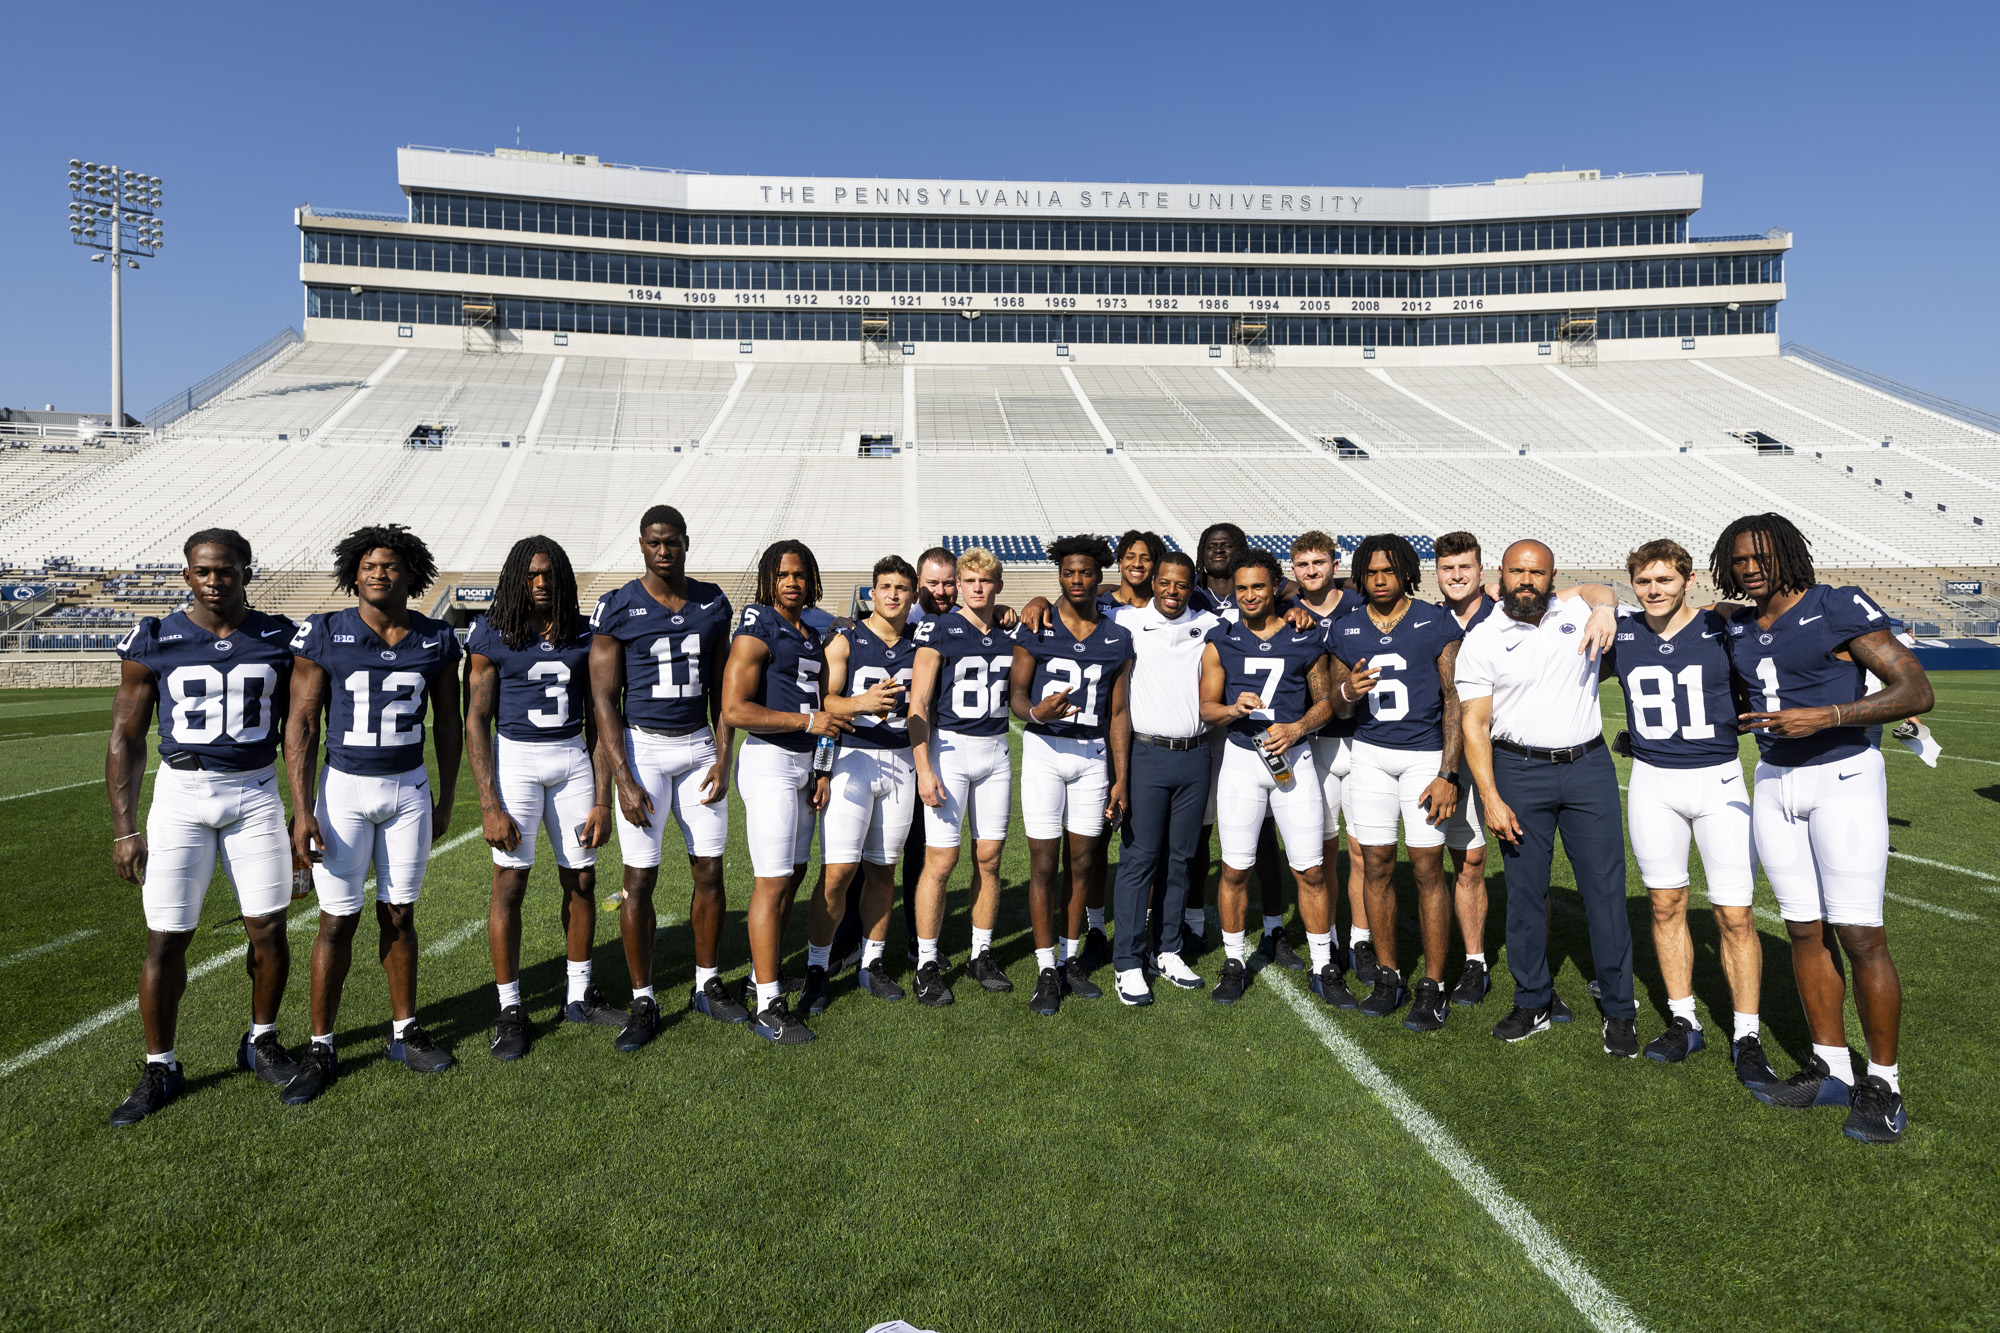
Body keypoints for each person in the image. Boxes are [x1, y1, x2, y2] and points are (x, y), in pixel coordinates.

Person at [1713, 514, 1933, 1144]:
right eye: (1738, 560)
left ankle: (1884, 1083)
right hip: (1774, 781)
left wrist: (1830, 714)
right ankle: (1831, 1067)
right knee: (1804, 929)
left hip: (1844, 776)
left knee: (1861, 934)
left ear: (1788, 554)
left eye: (1761, 557)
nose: (1749, 568)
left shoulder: (1835, 606)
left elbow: (1915, 689)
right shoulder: (1737, 623)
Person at [104, 529, 298, 1125]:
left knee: (268, 929)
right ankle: (159, 1065)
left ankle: (261, 1040)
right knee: (166, 936)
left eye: (226, 569)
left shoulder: (280, 637)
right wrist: (124, 828)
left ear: (247, 572)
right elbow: (126, 737)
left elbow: (303, 726)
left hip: (255, 790)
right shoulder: (154, 637)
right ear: (187, 574)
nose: (215, 580)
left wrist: (305, 806)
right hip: (181, 794)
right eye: (203, 570)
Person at [282, 524, 463, 1104]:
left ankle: (404, 1031)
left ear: (411, 574)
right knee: (337, 920)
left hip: (408, 789)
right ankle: (321, 1045)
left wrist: (446, 798)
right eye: (368, 565)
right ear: (353, 574)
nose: (378, 573)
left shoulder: (436, 637)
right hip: (343, 791)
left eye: (389, 565)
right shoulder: (325, 631)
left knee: (400, 915)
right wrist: (302, 809)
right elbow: (302, 722)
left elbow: (450, 723)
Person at [1453, 540, 1636, 1056]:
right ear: (1502, 575)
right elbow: (1475, 725)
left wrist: (1605, 607)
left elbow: (1601, 589)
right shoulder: (1482, 638)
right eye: (1518, 571)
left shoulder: (1574, 610)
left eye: (1537, 572)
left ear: (1553, 577)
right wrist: (1490, 797)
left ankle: (1620, 1008)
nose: (1527, 580)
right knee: (1526, 893)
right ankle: (1532, 1000)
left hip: (1588, 768)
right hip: (1519, 770)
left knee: (1605, 890)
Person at [1602, 539, 1774, 1077]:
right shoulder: (1621, 630)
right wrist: (1603, 604)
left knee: (1735, 914)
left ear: (1688, 580)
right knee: (1664, 905)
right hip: (1653, 783)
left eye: (1665, 580)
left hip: (1718, 780)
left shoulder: (1722, 627)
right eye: (1644, 581)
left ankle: (1746, 1032)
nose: (1654, 590)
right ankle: (1684, 1019)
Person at [722, 540, 896, 1044]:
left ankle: (759, 979)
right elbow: (735, 708)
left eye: (799, 574)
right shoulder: (757, 626)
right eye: (782, 574)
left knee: (793, 875)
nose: (792, 582)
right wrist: (807, 722)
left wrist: (821, 769)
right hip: (771, 761)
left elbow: (820, 712)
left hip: (805, 764)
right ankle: (768, 1005)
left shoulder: (809, 631)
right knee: (772, 882)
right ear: (768, 579)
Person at [587, 505, 740, 1051]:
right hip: (643, 748)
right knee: (639, 878)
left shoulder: (712, 601)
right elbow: (604, 699)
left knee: (710, 871)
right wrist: (622, 776)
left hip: (698, 745)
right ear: (641, 545)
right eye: (654, 542)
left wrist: (723, 757)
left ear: (685, 542)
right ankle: (643, 998)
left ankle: (706, 983)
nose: (663, 550)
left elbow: (724, 691)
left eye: (671, 541)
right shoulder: (617, 606)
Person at [465, 536, 615, 1061]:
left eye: (549, 573)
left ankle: (579, 994)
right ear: (515, 578)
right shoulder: (492, 632)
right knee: (510, 883)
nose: (541, 582)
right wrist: (490, 805)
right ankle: (510, 1008)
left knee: (582, 878)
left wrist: (603, 799)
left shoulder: (584, 634)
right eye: (531, 574)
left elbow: (600, 719)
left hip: (572, 758)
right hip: (517, 761)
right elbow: (476, 720)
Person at [1330, 534, 1467, 1030]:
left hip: (1425, 757)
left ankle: (1433, 984)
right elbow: (1337, 705)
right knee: (1376, 863)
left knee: (1428, 867)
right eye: (1370, 572)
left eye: (1388, 570)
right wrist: (1347, 690)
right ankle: (1389, 975)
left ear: (1407, 571)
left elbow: (1454, 699)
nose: (1380, 579)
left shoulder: (1436, 622)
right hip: (1369, 756)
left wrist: (1448, 772)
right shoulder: (1346, 628)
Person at [1197, 549, 1336, 1007]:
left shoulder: (1304, 634)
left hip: (1294, 759)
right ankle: (1233, 961)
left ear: (1276, 587)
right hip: (1241, 761)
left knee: (1310, 869)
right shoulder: (1220, 639)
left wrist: (1297, 728)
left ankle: (1323, 965)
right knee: (1235, 869)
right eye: (1241, 588)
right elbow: (1206, 708)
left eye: (1258, 586)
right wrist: (1231, 709)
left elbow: (1326, 703)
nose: (1250, 595)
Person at [1009, 535, 1134, 1016]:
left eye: (1085, 572)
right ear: (1058, 575)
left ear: (1099, 576)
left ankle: (1069, 957)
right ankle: (1046, 967)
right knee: (1044, 865)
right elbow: (1017, 696)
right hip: (1045, 749)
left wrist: (1121, 777)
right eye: (1068, 572)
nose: (1076, 580)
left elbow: (1118, 714)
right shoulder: (1036, 626)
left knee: (1082, 864)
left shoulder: (1117, 636)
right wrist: (1035, 713)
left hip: (1093, 756)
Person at [803, 556, 924, 1007]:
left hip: (900, 762)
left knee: (883, 870)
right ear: (872, 593)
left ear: (913, 595)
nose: (893, 595)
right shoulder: (846, 638)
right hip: (853, 759)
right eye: (885, 586)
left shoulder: (921, 641)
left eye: (901, 588)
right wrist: (862, 703)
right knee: (837, 872)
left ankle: (872, 963)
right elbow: (825, 701)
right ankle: (817, 966)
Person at [1107, 551, 1219, 1004]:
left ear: (1193, 586)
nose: (1173, 591)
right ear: (1152, 582)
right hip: (1147, 754)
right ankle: (1128, 961)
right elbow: (1074, 606)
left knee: (1182, 859)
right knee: (1140, 859)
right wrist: (1035, 602)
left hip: (1196, 755)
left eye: (1182, 584)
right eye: (1165, 582)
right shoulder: (1126, 621)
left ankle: (1168, 950)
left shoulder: (1210, 624)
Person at [908, 548, 1020, 995]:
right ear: (958, 585)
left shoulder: (1011, 630)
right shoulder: (938, 628)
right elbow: (918, 703)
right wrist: (923, 767)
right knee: (941, 861)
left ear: (998, 586)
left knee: (990, 858)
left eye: (985, 581)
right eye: (968, 580)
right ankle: (926, 962)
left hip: (996, 750)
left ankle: (981, 953)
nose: (976, 588)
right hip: (950, 750)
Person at [1288, 531, 1367, 981]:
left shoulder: (1358, 604)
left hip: (1360, 738)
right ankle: (1331, 935)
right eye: (1303, 564)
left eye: (1319, 562)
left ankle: (1361, 938)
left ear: (1335, 565)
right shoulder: (1284, 609)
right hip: (1311, 744)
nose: (1312, 571)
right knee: (1321, 850)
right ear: (1293, 570)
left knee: (1362, 848)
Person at [1431, 531, 1501, 1004]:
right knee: (1467, 859)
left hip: (1507, 754)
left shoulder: (1507, 612)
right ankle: (1475, 961)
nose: (1456, 576)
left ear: (1481, 570)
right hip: (1452, 756)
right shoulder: (1429, 620)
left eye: (1465, 567)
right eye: (1447, 568)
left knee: (1525, 866)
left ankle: (1536, 970)